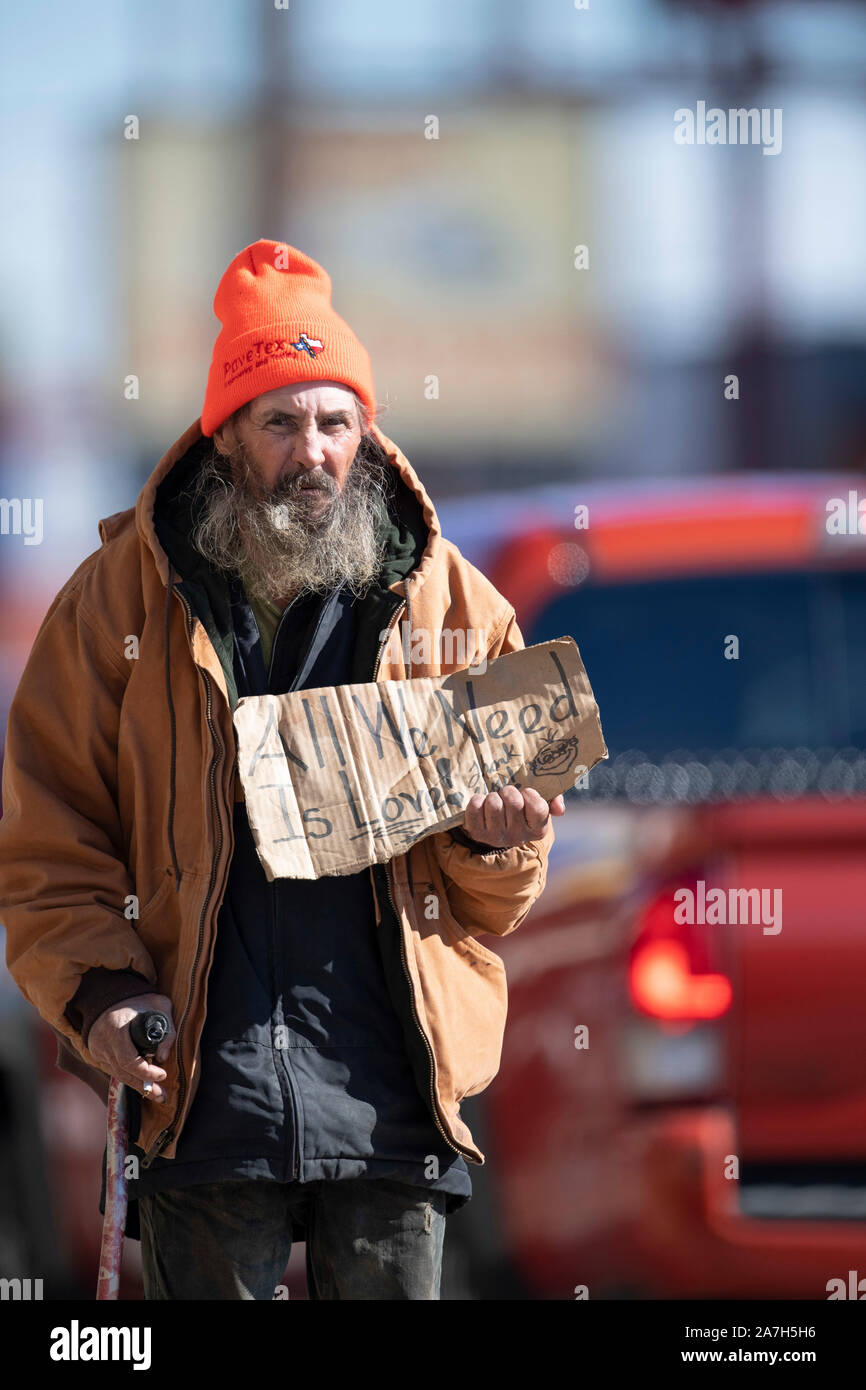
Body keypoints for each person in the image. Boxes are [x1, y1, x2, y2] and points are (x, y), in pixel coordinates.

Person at [0, 239, 562, 1300]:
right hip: (209, 1092)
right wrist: (103, 992)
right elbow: (46, 837)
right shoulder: (111, 606)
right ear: (225, 438)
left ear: (366, 430)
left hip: (393, 1089)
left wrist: (497, 840)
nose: (313, 452)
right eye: (280, 422)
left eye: (335, 421)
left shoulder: (457, 608)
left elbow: (496, 898)